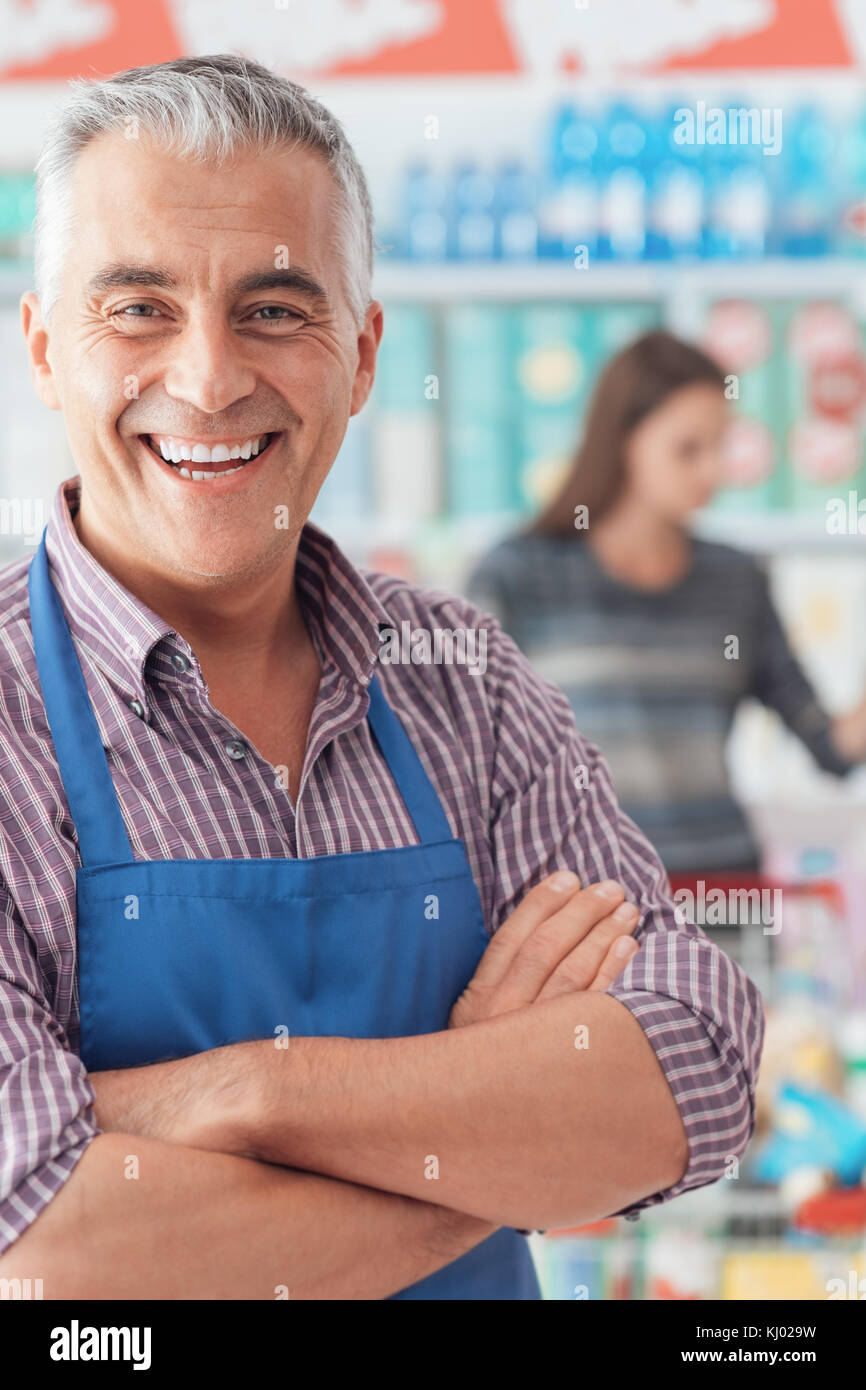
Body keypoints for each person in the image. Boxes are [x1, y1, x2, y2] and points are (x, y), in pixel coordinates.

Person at [0, 58, 762, 1301]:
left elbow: (694, 1070)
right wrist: (491, 1130)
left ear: (359, 358)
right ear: (43, 348)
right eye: (137, 308)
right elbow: (53, 1255)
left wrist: (253, 1094)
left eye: (274, 310)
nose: (206, 378)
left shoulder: (464, 684)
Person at [468, 330, 866, 876]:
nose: (713, 473)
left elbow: (828, 744)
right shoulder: (519, 574)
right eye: (688, 449)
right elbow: (462, 763)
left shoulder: (736, 579)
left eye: (721, 447)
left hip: (720, 902)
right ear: (624, 439)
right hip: (583, 911)